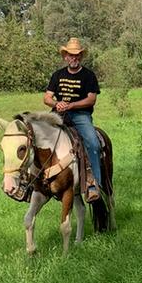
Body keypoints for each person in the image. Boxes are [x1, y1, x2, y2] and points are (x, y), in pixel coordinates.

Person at [44, 37, 102, 202]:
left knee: (93, 143)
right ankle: (33, 180)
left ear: (81, 57)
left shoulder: (88, 75)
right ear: (65, 57)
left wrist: (71, 105)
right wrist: (57, 103)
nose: (74, 58)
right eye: (71, 55)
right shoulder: (58, 75)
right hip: (58, 113)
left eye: (77, 55)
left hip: (80, 115)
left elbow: (91, 99)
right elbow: (47, 98)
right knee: (38, 136)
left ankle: (93, 184)